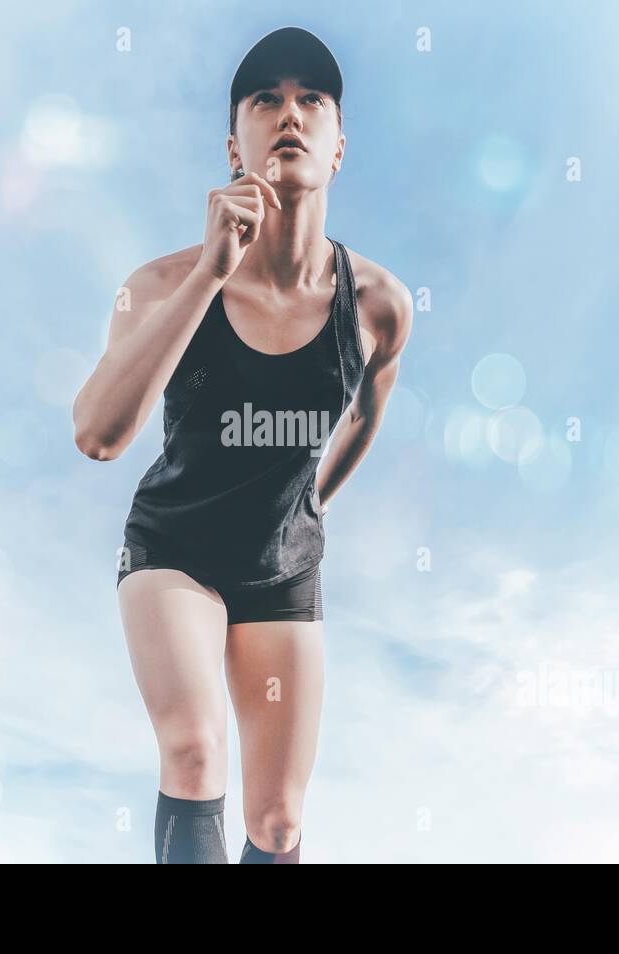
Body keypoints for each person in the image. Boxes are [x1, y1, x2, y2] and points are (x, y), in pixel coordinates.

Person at [72, 26, 413, 863]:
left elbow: (366, 417)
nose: (289, 113)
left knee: (280, 824)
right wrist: (210, 275)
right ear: (236, 145)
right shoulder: (158, 284)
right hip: (174, 550)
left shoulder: (378, 306)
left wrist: (313, 504)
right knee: (194, 751)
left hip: (282, 566)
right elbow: (97, 435)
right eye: (265, 99)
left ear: (339, 148)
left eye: (312, 100)